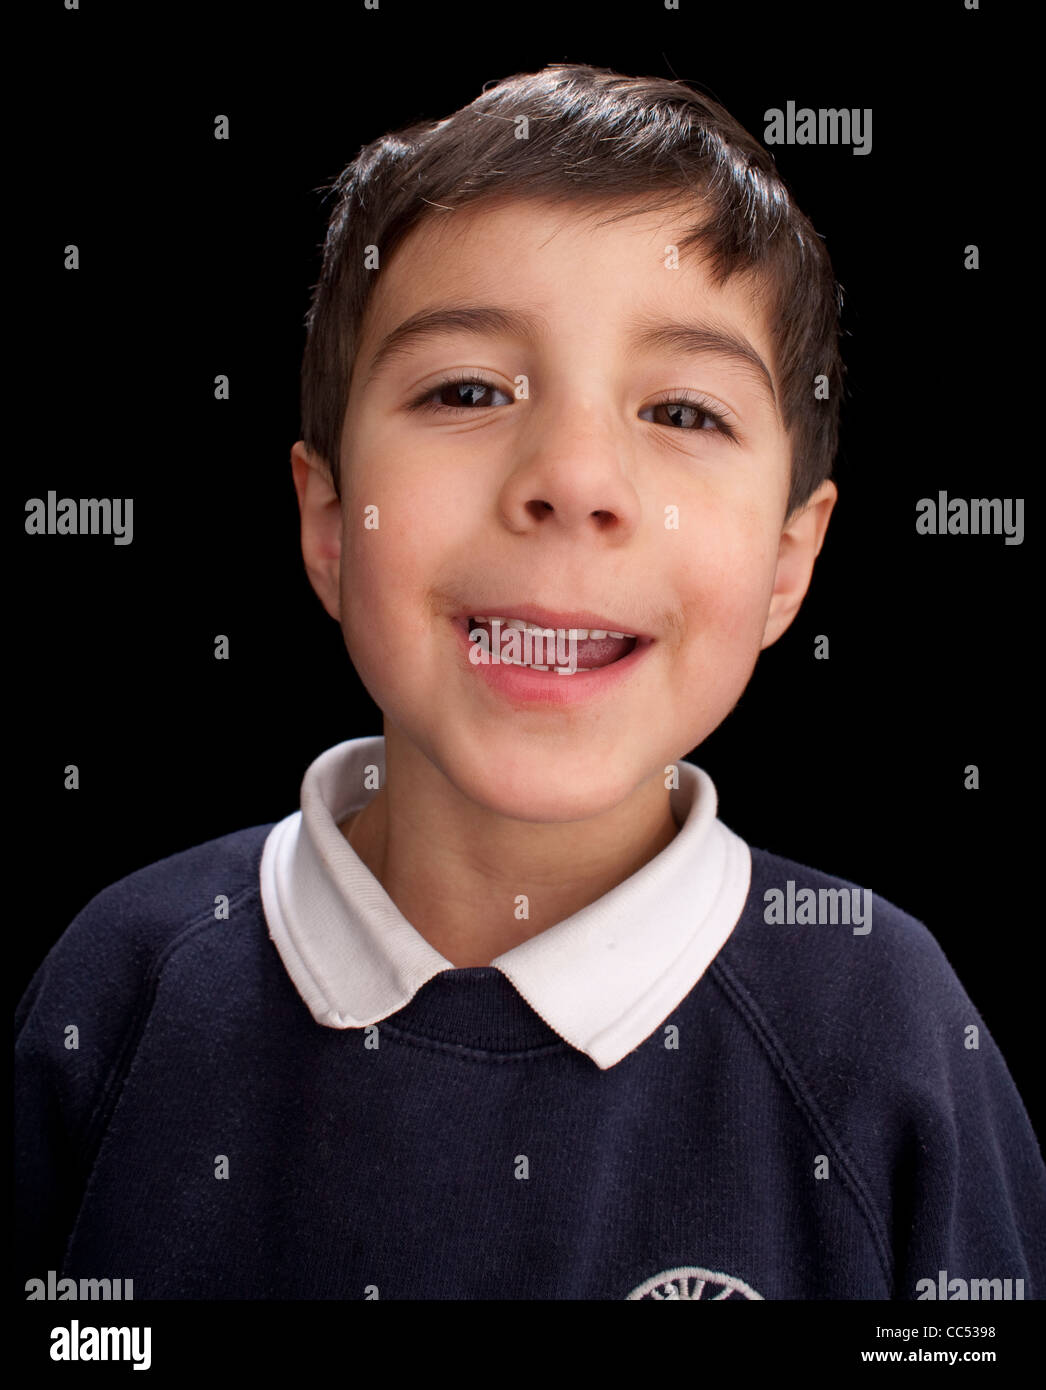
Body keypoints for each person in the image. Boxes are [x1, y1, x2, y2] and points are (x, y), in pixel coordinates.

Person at [16, 63, 1045, 1301]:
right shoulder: (123, 985)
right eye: (465, 390)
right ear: (331, 520)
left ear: (787, 560)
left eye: (680, 408)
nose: (571, 474)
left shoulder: (889, 1032)